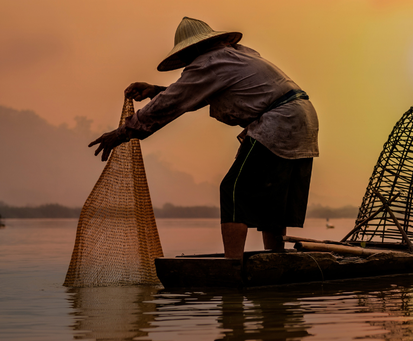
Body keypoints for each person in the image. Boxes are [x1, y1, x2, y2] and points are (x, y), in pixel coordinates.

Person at [89, 17, 319, 259]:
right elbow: (195, 91)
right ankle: (275, 259)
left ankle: (232, 266)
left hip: (278, 122)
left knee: (233, 191)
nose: (187, 62)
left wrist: (122, 133)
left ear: (195, 49)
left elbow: (171, 103)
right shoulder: (236, 54)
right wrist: (157, 91)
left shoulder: (210, 62)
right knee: (272, 196)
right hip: (302, 118)